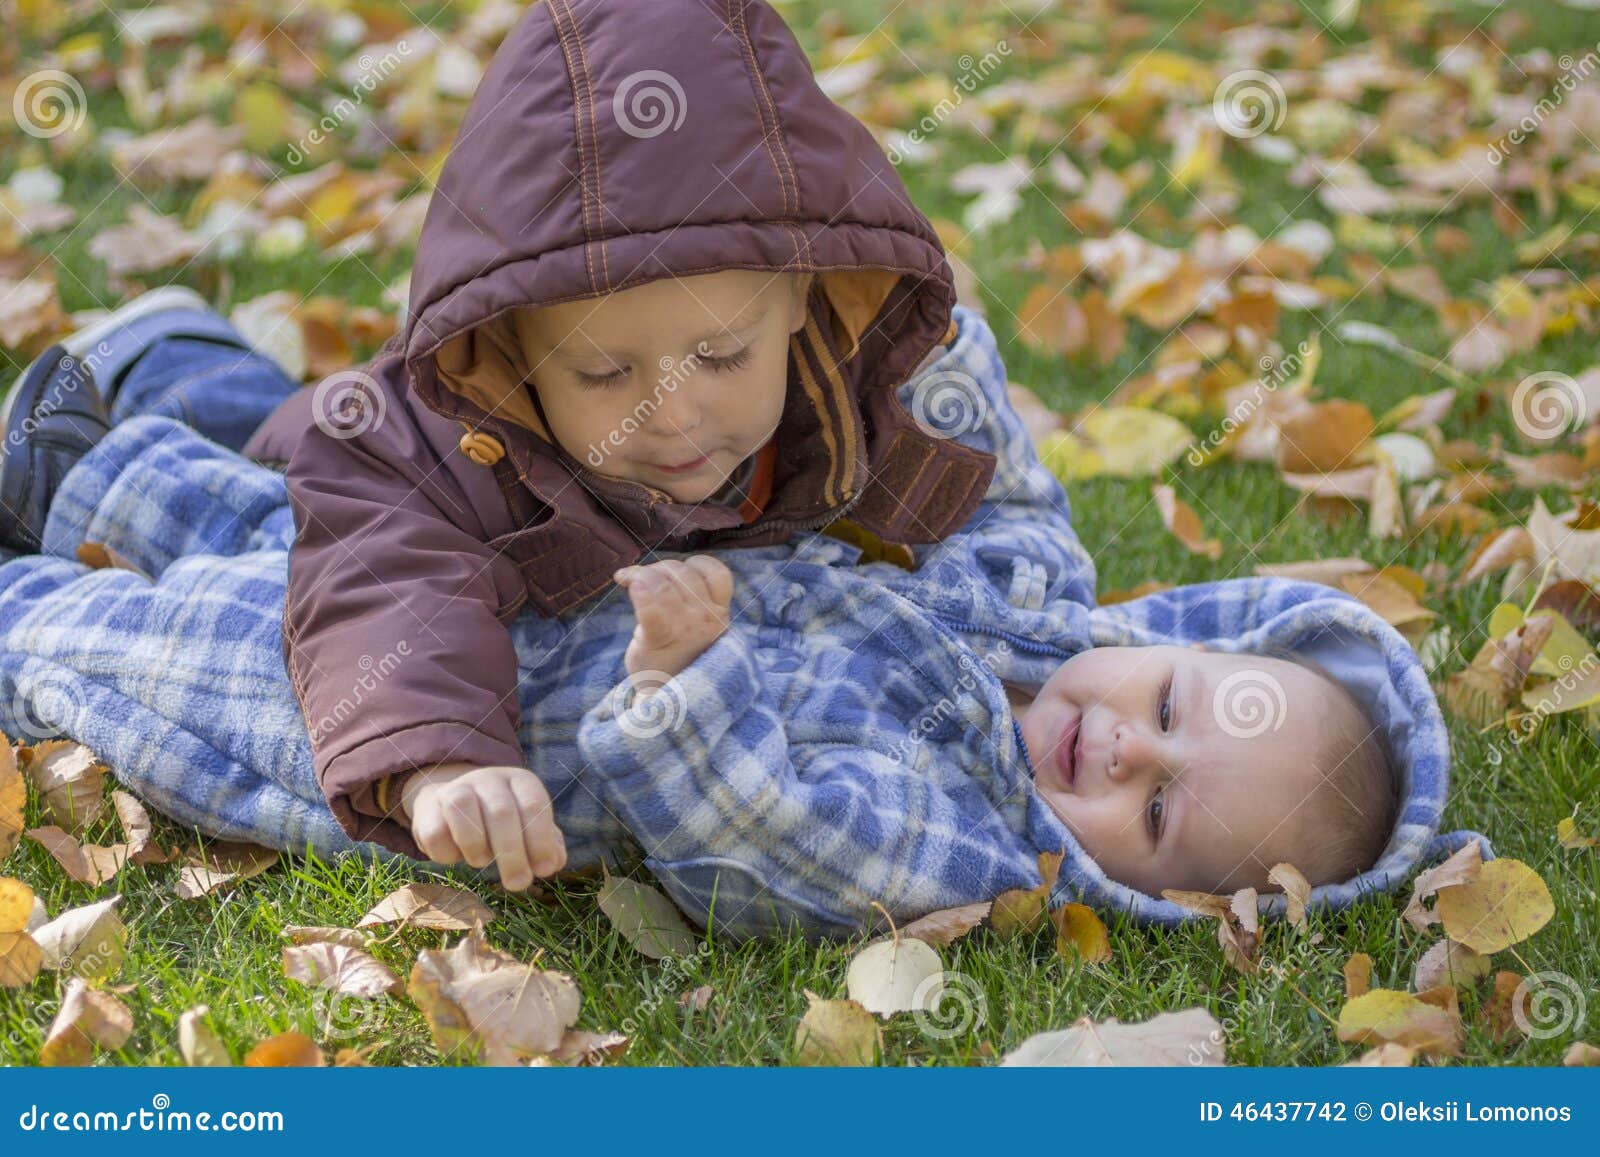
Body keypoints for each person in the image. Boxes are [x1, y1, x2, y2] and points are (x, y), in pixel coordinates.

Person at [0, 290, 1491, 940]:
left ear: (1154, 893)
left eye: (1161, 813)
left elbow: (767, 841)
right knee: (317, 525)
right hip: (522, 561)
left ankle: (34, 596)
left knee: (172, 657)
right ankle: (94, 452)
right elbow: (998, 477)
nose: (1122, 747)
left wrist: (690, 685)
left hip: (482, 751)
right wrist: (928, 336)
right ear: (1172, 634)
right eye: (1170, 704)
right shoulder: (1037, 596)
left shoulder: (955, 842)